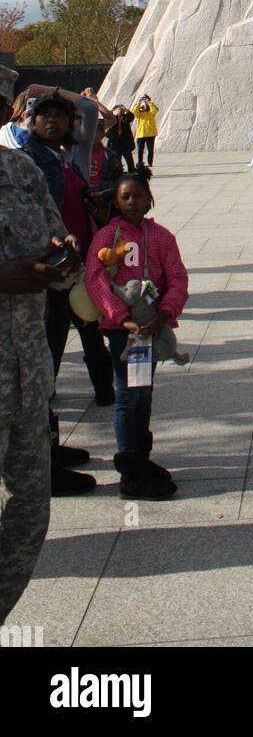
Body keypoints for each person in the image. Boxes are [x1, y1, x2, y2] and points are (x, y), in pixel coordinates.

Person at [0, 124, 81, 625]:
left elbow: (58, 235)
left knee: (31, 514)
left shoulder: (20, 170)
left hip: (27, 375)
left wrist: (64, 259)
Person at [21, 90, 114, 494]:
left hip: (72, 270)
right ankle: (43, 458)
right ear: (32, 121)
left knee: (58, 354)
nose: (55, 121)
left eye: (61, 116)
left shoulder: (64, 159)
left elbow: (90, 110)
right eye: (46, 116)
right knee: (45, 363)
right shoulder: (26, 162)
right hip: (46, 275)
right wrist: (40, 92)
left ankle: (50, 446)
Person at [84, 171, 189, 499]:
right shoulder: (106, 236)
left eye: (138, 196)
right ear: (115, 201)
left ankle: (139, 455)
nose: (132, 202)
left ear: (150, 199)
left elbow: (176, 276)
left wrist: (165, 313)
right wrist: (121, 316)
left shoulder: (161, 237)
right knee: (128, 395)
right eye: (125, 197)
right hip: (123, 331)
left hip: (152, 328)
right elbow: (95, 278)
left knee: (143, 391)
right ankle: (129, 469)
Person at [106, 105, 136, 174]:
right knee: (117, 160)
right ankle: (119, 173)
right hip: (115, 143)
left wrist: (126, 109)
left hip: (125, 142)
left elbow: (131, 116)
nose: (120, 111)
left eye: (121, 110)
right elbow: (107, 118)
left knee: (129, 159)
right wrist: (112, 110)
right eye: (119, 110)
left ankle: (132, 172)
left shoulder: (126, 117)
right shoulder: (113, 118)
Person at [133, 95, 159, 168]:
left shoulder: (151, 112)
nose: (144, 103)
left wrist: (149, 102)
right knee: (140, 150)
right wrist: (139, 103)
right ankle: (140, 163)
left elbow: (154, 110)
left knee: (150, 150)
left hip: (150, 134)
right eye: (143, 101)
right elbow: (134, 112)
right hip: (141, 134)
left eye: (145, 101)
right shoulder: (139, 112)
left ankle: (150, 163)